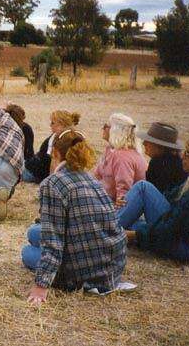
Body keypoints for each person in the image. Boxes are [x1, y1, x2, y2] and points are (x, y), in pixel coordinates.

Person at [23, 130, 128, 303]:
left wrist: (42, 284)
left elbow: (53, 239)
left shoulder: (52, 184)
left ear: (55, 153)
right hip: (111, 267)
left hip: (79, 272)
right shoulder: (92, 179)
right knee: (34, 232)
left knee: (27, 252)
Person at [116, 134, 189, 264]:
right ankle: (111, 229)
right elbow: (167, 197)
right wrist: (132, 202)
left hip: (187, 248)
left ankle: (105, 234)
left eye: (188, 153)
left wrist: (135, 236)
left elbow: (171, 228)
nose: (182, 156)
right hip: (183, 239)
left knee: (143, 188)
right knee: (136, 222)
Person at [93, 113, 147, 208]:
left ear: (115, 130)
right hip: (104, 202)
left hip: (113, 208)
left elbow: (124, 193)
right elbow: (97, 176)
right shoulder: (112, 151)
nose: (102, 128)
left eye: (106, 126)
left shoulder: (122, 157)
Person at [23, 110, 81, 184]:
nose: (50, 125)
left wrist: (51, 183)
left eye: (53, 123)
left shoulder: (56, 137)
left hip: (34, 172)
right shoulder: (77, 136)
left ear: (61, 124)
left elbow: (53, 161)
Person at [136, 122, 188, 193]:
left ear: (161, 147)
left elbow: (149, 193)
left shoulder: (157, 163)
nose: (144, 143)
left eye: (148, 141)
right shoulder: (180, 161)